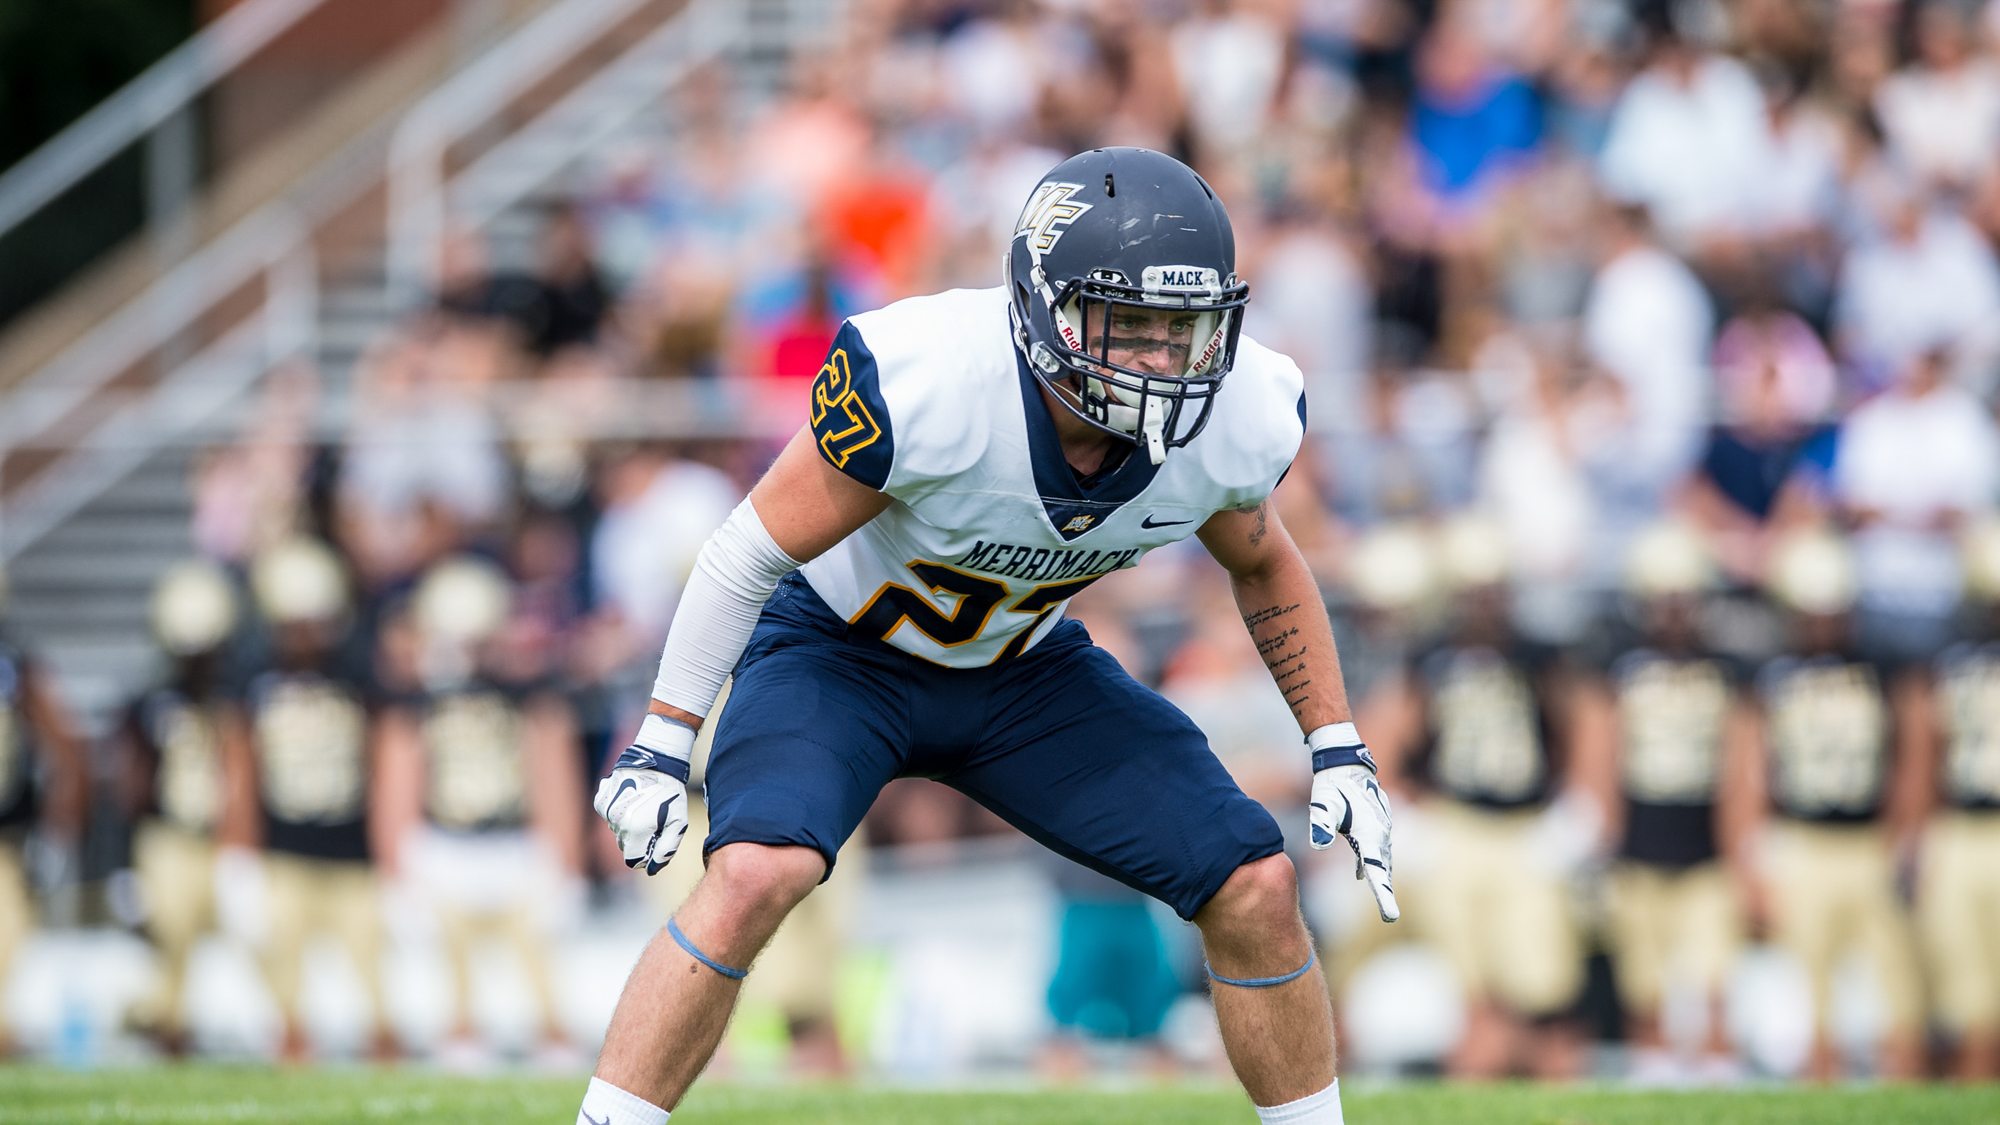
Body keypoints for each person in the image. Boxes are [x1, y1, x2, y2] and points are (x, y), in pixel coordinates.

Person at [575, 148, 1397, 1125]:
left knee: (1254, 883)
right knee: (755, 870)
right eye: (1125, 325)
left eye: (1180, 330)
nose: (1157, 358)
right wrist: (663, 742)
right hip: (841, 650)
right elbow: (740, 554)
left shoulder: (1238, 413)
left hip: (1020, 669)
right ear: (1041, 309)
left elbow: (1263, 561)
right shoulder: (926, 378)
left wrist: (1334, 743)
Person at [1365, 514, 1588, 1079]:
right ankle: (1483, 1072)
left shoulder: (1538, 655)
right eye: (1474, 592)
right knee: (1470, 987)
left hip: (1526, 825)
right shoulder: (1431, 657)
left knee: (1542, 984)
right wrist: (1403, 813)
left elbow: (1584, 726)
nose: (1485, 604)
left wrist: (1579, 807)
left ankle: (1544, 1079)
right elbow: (1391, 732)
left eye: (1493, 590)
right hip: (1456, 823)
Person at [374, 556, 584, 1068]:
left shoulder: (530, 694)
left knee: (537, 962)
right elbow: (398, 782)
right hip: (447, 844)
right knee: (454, 969)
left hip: (513, 844)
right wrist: (396, 863)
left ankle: (551, 1037)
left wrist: (565, 858)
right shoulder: (417, 699)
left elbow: (552, 776)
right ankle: (463, 1034)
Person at [1736, 528, 1924, 1080]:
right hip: (1801, 844)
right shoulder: (1772, 676)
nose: (1822, 623)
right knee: (1807, 1003)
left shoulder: (1882, 670)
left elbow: (1910, 761)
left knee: (1898, 994)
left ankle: (1902, 1103)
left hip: (1866, 843)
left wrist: (1904, 842)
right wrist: (1753, 862)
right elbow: (1750, 773)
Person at [1571, 522, 1750, 1083]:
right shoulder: (1617, 667)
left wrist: (1747, 852)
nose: (1674, 611)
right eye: (1664, 598)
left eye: (1684, 598)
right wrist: (1594, 838)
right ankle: (1656, 1089)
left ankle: (1716, 1092)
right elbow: (1598, 759)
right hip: (1637, 855)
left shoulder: (1728, 670)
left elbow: (1743, 766)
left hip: (1707, 858)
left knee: (1715, 991)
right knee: (1645, 995)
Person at [224, 537, 399, 1061]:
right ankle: (293, 1050)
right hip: (284, 850)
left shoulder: (357, 672)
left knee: (377, 984)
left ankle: (381, 1048)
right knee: (283, 989)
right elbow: (239, 767)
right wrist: (239, 853)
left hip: (352, 852)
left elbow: (386, 757)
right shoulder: (251, 677)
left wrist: (392, 847)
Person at [121, 560, 242, 1055]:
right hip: (169, 838)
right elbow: (131, 786)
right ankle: (164, 1026)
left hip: (225, 836)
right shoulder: (148, 702)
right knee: (171, 941)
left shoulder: (236, 697)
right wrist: (120, 866)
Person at [1906, 520, 2000, 1079]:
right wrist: (1917, 840)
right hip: (1963, 829)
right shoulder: (1945, 658)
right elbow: (1924, 757)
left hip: (1967, 833)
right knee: (1967, 997)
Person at [0, 567, 88, 1058]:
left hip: (5, 832)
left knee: (7, 930)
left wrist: (58, 824)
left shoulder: (14, 662)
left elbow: (61, 742)